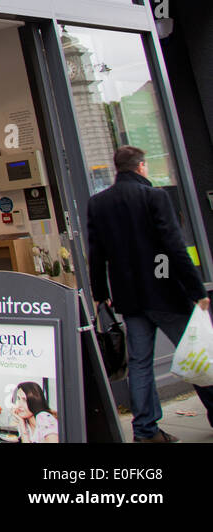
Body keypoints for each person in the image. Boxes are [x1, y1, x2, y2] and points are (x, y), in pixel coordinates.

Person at [87, 145, 213, 442]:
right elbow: (174, 247)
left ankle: (145, 431)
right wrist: (197, 291)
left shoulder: (99, 203)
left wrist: (100, 291)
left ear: (118, 169)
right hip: (166, 292)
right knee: (199, 356)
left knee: (140, 364)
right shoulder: (155, 197)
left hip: (130, 299)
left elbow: (96, 253)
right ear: (141, 166)